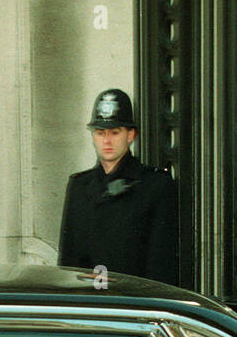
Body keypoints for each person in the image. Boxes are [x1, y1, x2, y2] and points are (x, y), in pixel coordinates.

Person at [58, 88, 179, 286]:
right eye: (100, 132)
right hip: (89, 304)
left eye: (115, 132)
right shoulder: (79, 186)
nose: (107, 140)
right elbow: (69, 261)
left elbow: (160, 265)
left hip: (132, 304)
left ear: (130, 135)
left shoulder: (155, 186)